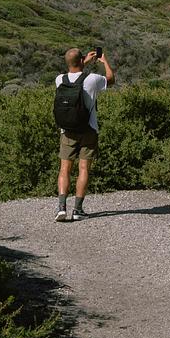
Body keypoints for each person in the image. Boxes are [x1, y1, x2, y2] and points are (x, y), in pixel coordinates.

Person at [55, 46, 114, 221]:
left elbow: (75, 75)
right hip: (88, 130)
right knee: (83, 169)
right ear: (81, 61)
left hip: (67, 131)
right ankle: (78, 210)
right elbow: (111, 80)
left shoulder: (59, 79)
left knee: (64, 169)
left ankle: (61, 208)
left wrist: (83, 62)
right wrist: (104, 62)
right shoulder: (93, 79)